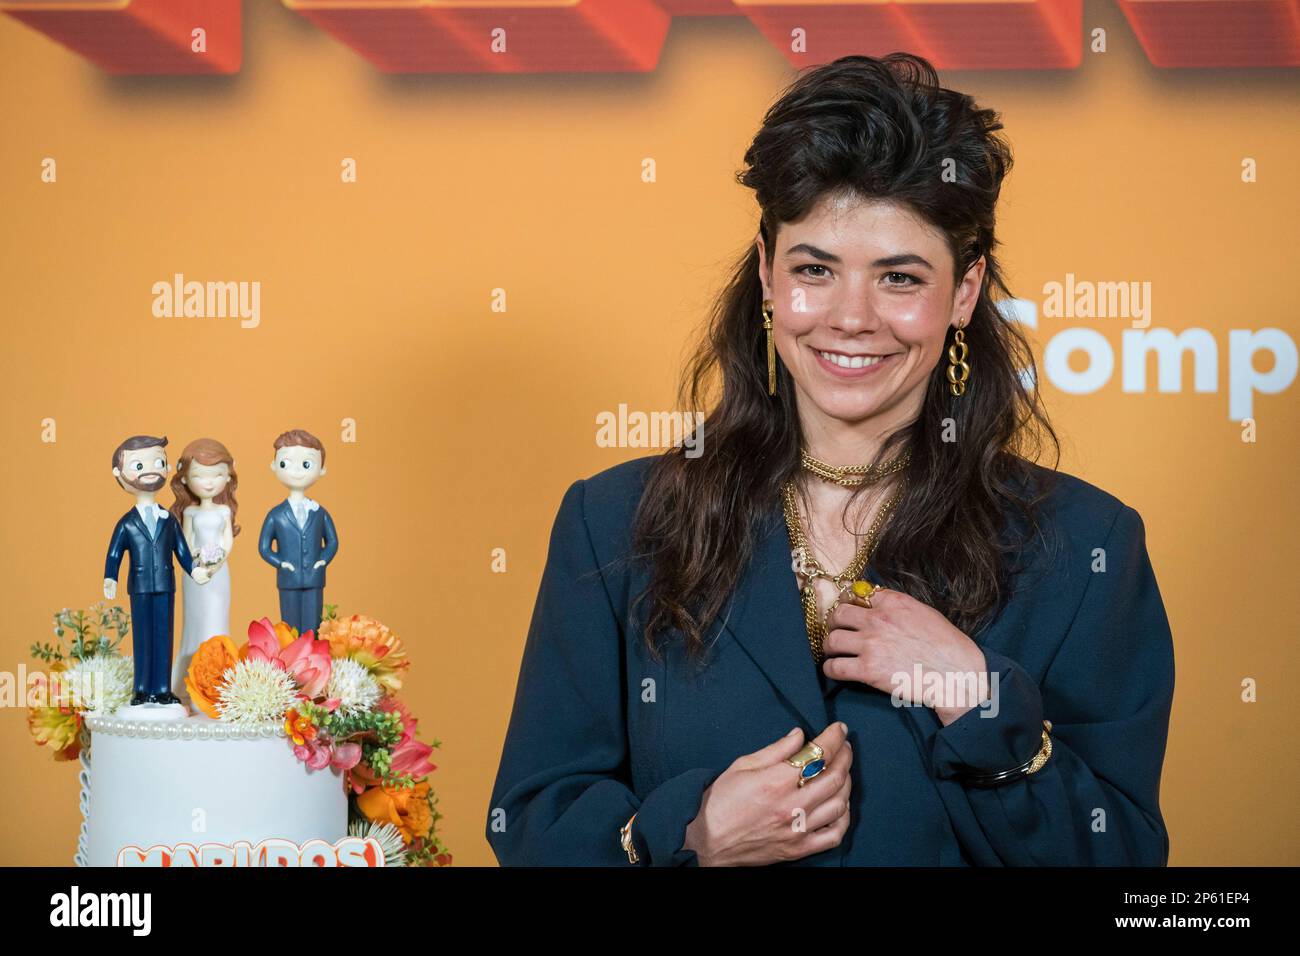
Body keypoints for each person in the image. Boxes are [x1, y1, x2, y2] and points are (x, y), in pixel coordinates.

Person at [487, 53, 1174, 866]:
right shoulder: (613, 523)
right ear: (769, 275)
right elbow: (530, 826)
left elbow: (1125, 861)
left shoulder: (1088, 546)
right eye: (816, 269)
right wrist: (690, 834)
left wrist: (979, 700)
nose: (851, 318)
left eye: (899, 277)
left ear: (964, 290)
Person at [168, 437, 239, 705]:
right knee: (194, 624)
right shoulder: (189, 512)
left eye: (218, 475)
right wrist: (195, 561)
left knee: (216, 622)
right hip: (194, 574)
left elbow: (227, 542)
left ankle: (220, 686)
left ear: (228, 477)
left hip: (218, 576)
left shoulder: (223, 511)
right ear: (185, 479)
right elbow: (185, 542)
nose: (209, 482)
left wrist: (217, 563)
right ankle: (186, 686)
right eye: (200, 476)